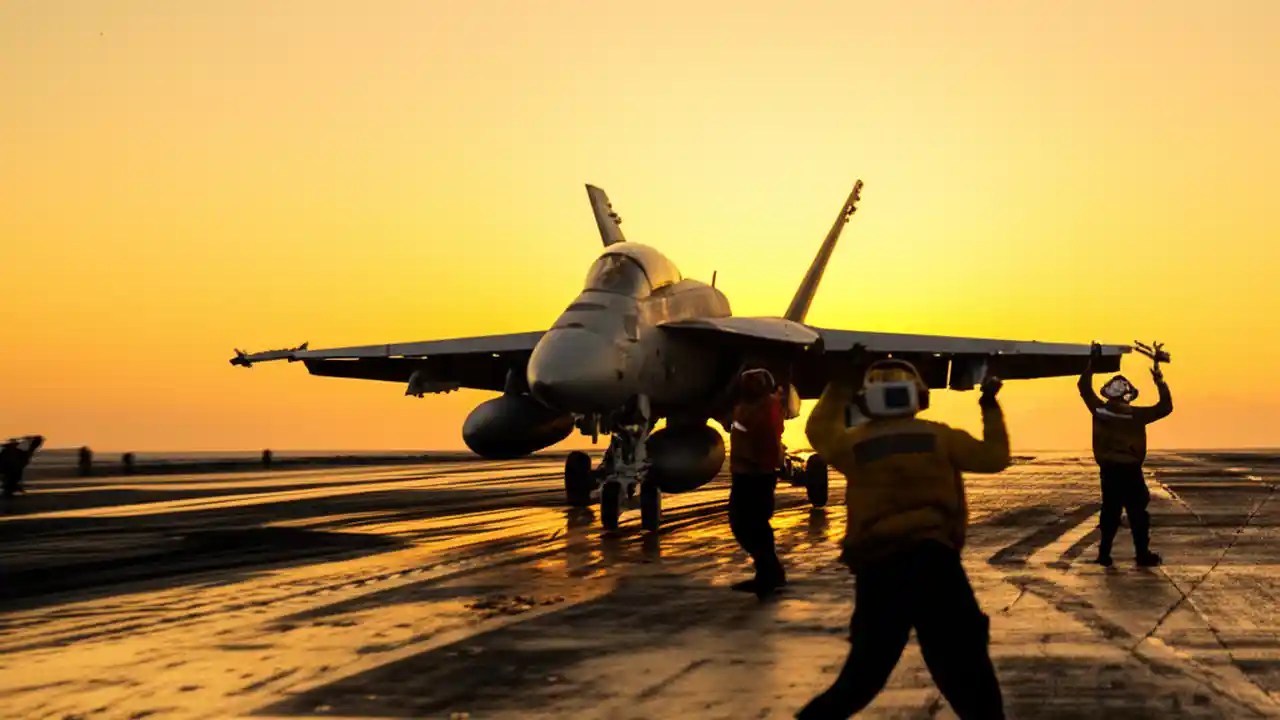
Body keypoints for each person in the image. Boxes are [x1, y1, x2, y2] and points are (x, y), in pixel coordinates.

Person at [798, 350, 1009, 720]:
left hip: (879, 570)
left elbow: (819, 432)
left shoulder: (854, 446)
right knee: (968, 674)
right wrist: (989, 405)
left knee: (861, 677)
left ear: (867, 401)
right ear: (919, 396)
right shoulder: (939, 437)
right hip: (936, 565)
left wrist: (842, 381)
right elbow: (995, 457)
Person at [1079, 342, 1172, 567]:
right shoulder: (1136, 415)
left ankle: (1104, 555)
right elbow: (1165, 407)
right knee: (1138, 513)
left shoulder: (1099, 411)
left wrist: (1092, 363)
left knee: (1110, 512)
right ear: (1128, 395)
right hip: (1131, 470)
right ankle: (1142, 554)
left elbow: (1083, 387)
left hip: (1109, 471)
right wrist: (1159, 379)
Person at [728, 366, 788, 598]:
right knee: (752, 525)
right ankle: (769, 572)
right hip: (749, 473)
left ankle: (769, 574)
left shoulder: (763, 409)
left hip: (754, 476)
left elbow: (767, 440)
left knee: (748, 525)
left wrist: (759, 464)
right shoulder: (754, 408)